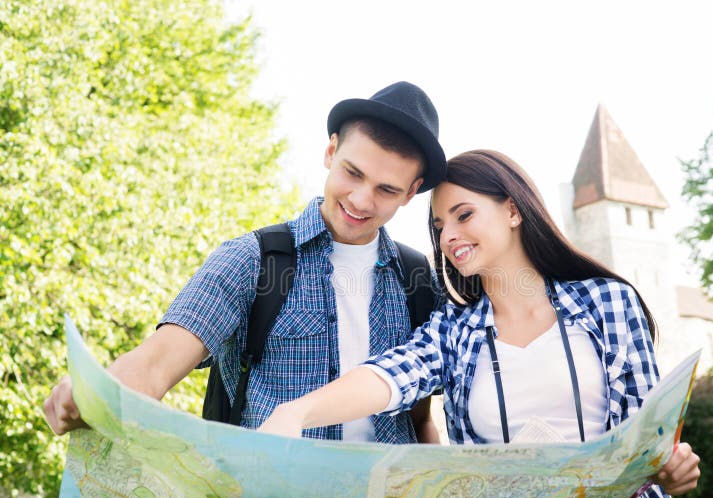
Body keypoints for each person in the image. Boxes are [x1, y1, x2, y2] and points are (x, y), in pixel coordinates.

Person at [258, 149, 701, 498]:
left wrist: (672, 466)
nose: (449, 236)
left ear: (513, 211)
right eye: (439, 226)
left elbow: (652, 437)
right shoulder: (454, 332)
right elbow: (390, 375)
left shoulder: (607, 302)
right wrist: (297, 412)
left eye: (464, 215)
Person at [43, 81, 449, 444]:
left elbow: (419, 420)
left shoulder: (418, 280)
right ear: (331, 151)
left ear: (410, 192)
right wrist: (95, 393)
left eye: (386, 189)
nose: (361, 200)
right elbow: (155, 364)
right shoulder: (251, 260)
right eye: (353, 173)